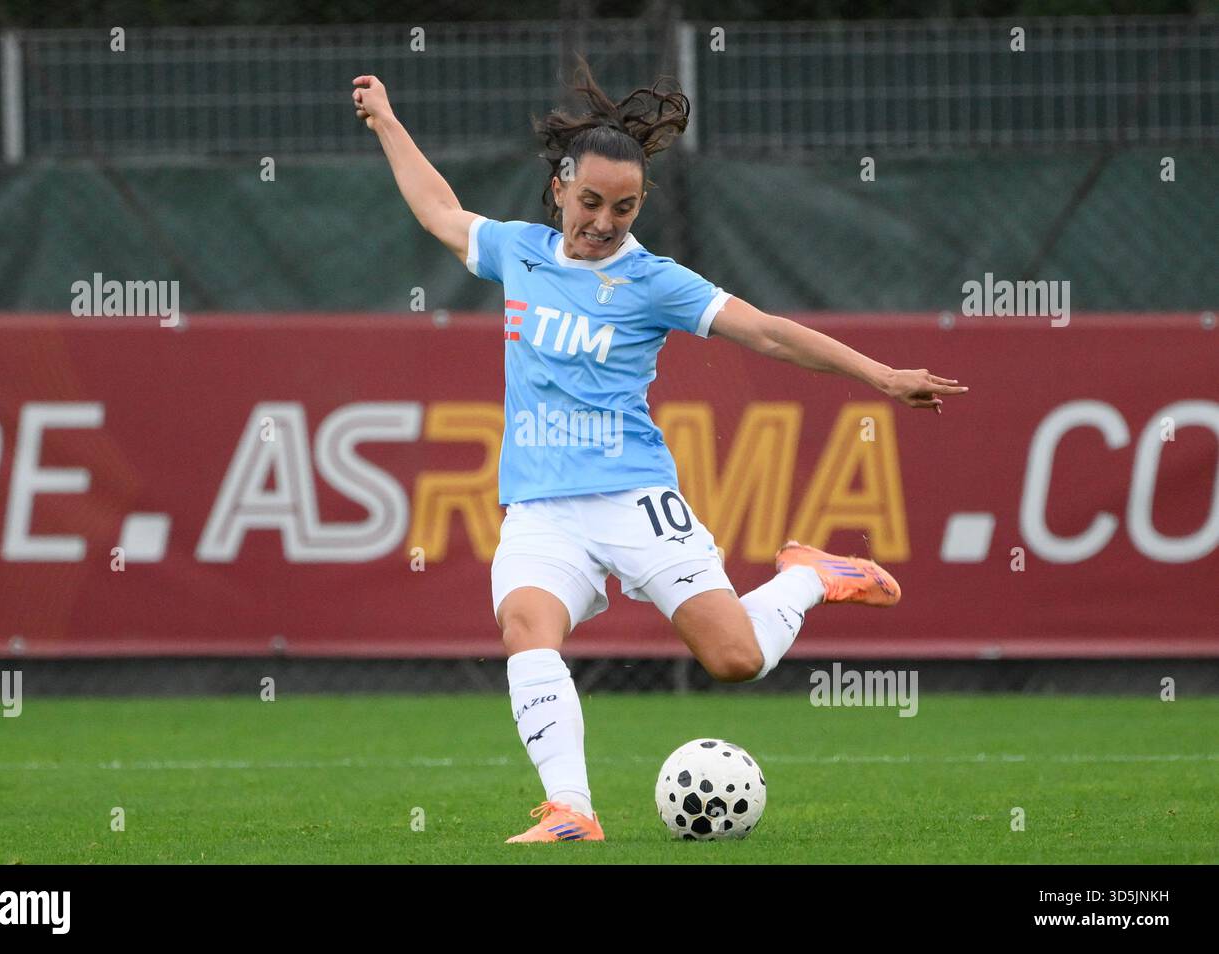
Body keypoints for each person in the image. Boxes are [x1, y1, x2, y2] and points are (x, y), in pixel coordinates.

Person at [353, 57, 967, 844]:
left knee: (736, 659)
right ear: (559, 192)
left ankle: (810, 576)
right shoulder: (519, 251)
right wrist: (388, 122)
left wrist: (880, 375)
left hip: (632, 497)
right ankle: (571, 809)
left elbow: (771, 333)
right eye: (590, 202)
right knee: (524, 628)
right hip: (540, 508)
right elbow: (439, 209)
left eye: (625, 206)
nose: (605, 221)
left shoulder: (656, 281)